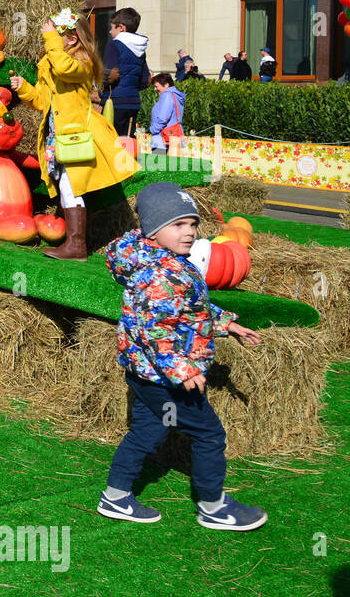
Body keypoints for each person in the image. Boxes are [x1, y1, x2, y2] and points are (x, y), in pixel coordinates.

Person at [98, 183, 266, 530]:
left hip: (145, 373)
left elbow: (190, 311)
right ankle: (213, 507)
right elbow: (154, 330)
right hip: (166, 378)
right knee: (209, 435)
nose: (189, 232)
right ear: (154, 231)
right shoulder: (160, 274)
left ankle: (115, 497)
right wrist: (184, 370)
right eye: (178, 225)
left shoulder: (165, 260)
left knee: (147, 432)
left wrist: (228, 325)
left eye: (192, 224)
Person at [11, 8, 133, 260]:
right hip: (59, 137)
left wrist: (51, 41)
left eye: (57, 35)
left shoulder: (81, 62)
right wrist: (24, 89)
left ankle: (76, 245)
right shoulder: (53, 63)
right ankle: (75, 242)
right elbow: (41, 101)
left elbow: (66, 69)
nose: (50, 39)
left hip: (77, 135)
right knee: (66, 185)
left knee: (71, 185)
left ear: (72, 38)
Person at [100, 8, 149, 138]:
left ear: (121, 27)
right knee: (127, 143)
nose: (110, 32)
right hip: (133, 102)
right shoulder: (140, 49)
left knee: (110, 142)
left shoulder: (114, 45)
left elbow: (111, 76)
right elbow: (146, 80)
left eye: (112, 28)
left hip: (115, 102)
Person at [147, 73, 185, 154]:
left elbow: (163, 118)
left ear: (166, 85)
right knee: (174, 165)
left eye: (157, 86)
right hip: (175, 137)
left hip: (162, 139)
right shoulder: (176, 96)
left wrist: (152, 129)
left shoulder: (167, 95)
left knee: (159, 165)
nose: (155, 89)